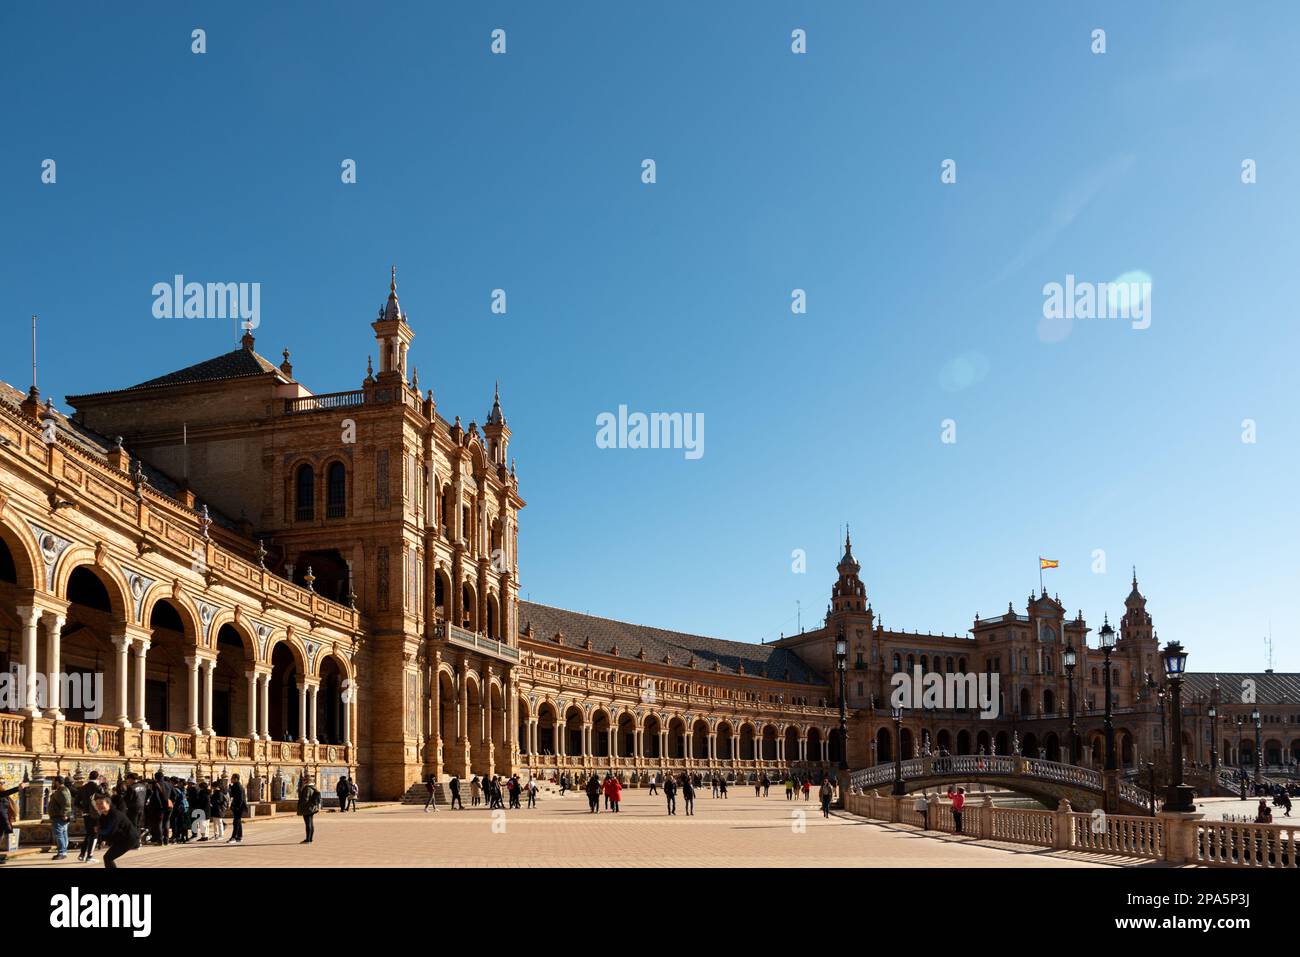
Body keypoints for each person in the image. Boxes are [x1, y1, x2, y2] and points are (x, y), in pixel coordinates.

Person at [93, 792, 138, 869]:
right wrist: (103, 839)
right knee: (108, 858)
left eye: (101, 803)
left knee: (108, 858)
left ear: (108, 803)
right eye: (97, 804)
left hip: (129, 839)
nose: (99, 806)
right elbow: (104, 829)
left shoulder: (115, 814)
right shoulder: (103, 816)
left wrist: (99, 830)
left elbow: (109, 830)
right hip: (121, 839)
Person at [78, 771, 102, 862]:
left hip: (85, 814)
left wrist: (84, 808)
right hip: (95, 815)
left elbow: (76, 803)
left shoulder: (82, 788)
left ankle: (82, 854)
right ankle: (89, 856)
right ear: (97, 777)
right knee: (94, 834)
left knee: (88, 834)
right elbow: (104, 799)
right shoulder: (98, 787)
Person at [48, 775, 72, 860]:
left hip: (59, 817)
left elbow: (67, 803)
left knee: (59, 835)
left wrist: (64, 814)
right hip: (59, 816)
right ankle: (63, 851)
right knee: (63, 834)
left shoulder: (62, 791)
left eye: (53, 781)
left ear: (57, 782)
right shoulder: (61, 790)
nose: (52, 783)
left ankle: (61, 852)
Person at [298, 776, 321, 843]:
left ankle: (308, 839)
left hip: (307, 808)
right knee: (311, 823)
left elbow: (305, 799)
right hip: (312, 808)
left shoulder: (307, 788)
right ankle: (310, 839)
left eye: (304, 780)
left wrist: (301, 806)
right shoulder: (314, 787)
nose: (303, 781)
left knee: (308, 824)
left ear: (306, 781)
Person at [228, 773, 247, 844]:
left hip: (239, 807)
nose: (231, 779)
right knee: (238, 821)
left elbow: (241, 799)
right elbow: (232, 795)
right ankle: (239, 836)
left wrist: (237, 807)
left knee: (236, 822)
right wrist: (230, 788)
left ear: (236, 779)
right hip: (237, 806)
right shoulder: (235, 786)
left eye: (232, 778)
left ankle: (234, 837)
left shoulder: (239, 786)